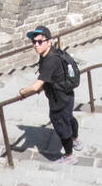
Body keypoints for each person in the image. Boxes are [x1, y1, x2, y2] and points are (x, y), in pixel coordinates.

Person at [19, 27, 81, 162]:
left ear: (49, 42)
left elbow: (36, 87)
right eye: (33, 42)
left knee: (61, 126)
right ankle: (75, 139)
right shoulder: (51, 54)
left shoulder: (50, 60)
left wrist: (23, 92)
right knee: (68, 117)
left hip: (59, 99)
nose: (36, 45)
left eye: (40, 42)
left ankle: (69, 156)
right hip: (67, 94)